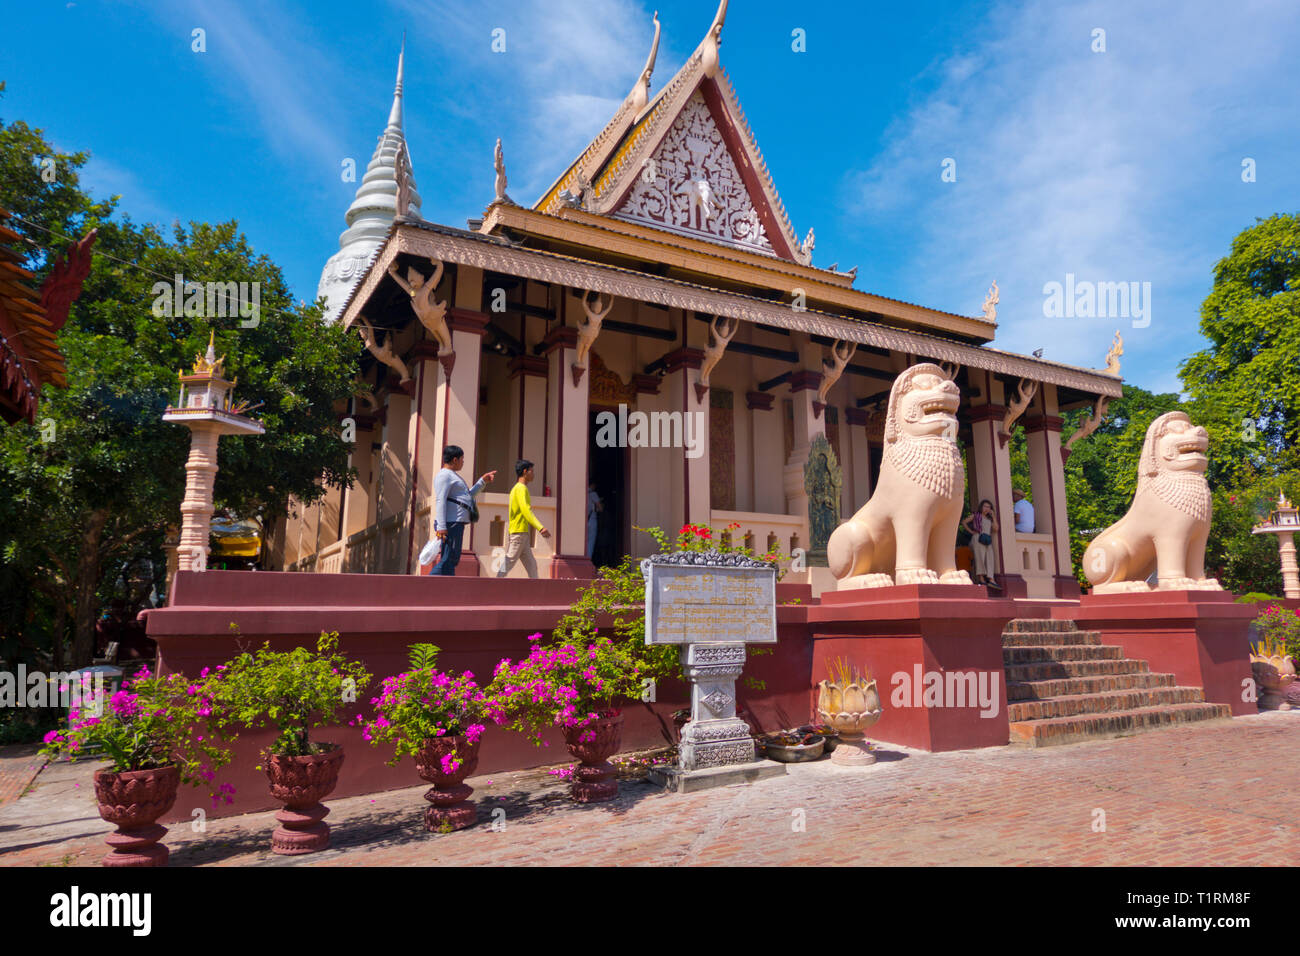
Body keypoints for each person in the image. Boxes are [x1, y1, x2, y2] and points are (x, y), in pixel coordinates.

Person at [429, 445, 495, 576]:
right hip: (450, 522)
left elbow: (466, 496)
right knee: (448, 558)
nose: (463, 462)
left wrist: (482, 481)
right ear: (455, 460)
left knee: (452, 558)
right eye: (462, 459)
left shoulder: (452, 476)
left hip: (456, 521)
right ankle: (428, 584)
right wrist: (441, 526)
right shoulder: (444, 476)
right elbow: (440, 500)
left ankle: (446, 587)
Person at [496, 459, 550, 578]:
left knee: (531, 565)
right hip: (518, 533)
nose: (533, 474)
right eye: (532, 471)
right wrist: (540, 528)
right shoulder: (521, 488)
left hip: (521, 533)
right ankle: (495, 583)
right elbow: (526, 511)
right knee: (509, 561)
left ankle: (535, 590)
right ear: (525, 471)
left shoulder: (518, 488)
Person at [962, 499, 1000, 589]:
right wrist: (971, 532)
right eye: (985, 506)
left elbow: (996, 529)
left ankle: (991, 578)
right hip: (978, 538)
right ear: (981, 507)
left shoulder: (989, 519)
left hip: (987, 539)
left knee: (990, 557)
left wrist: (993, 516)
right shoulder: (976, 515)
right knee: (980, 557)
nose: (987, 508)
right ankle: (981, 578)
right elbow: (964, 522)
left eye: (989, 507)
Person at [585, 480, 602, 560]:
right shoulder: (593, 494)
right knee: (590, 541)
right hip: (591, 519)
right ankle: (588, 559)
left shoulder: (583, 493)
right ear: (592, 485)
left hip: (583, 519)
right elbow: (600, 508)